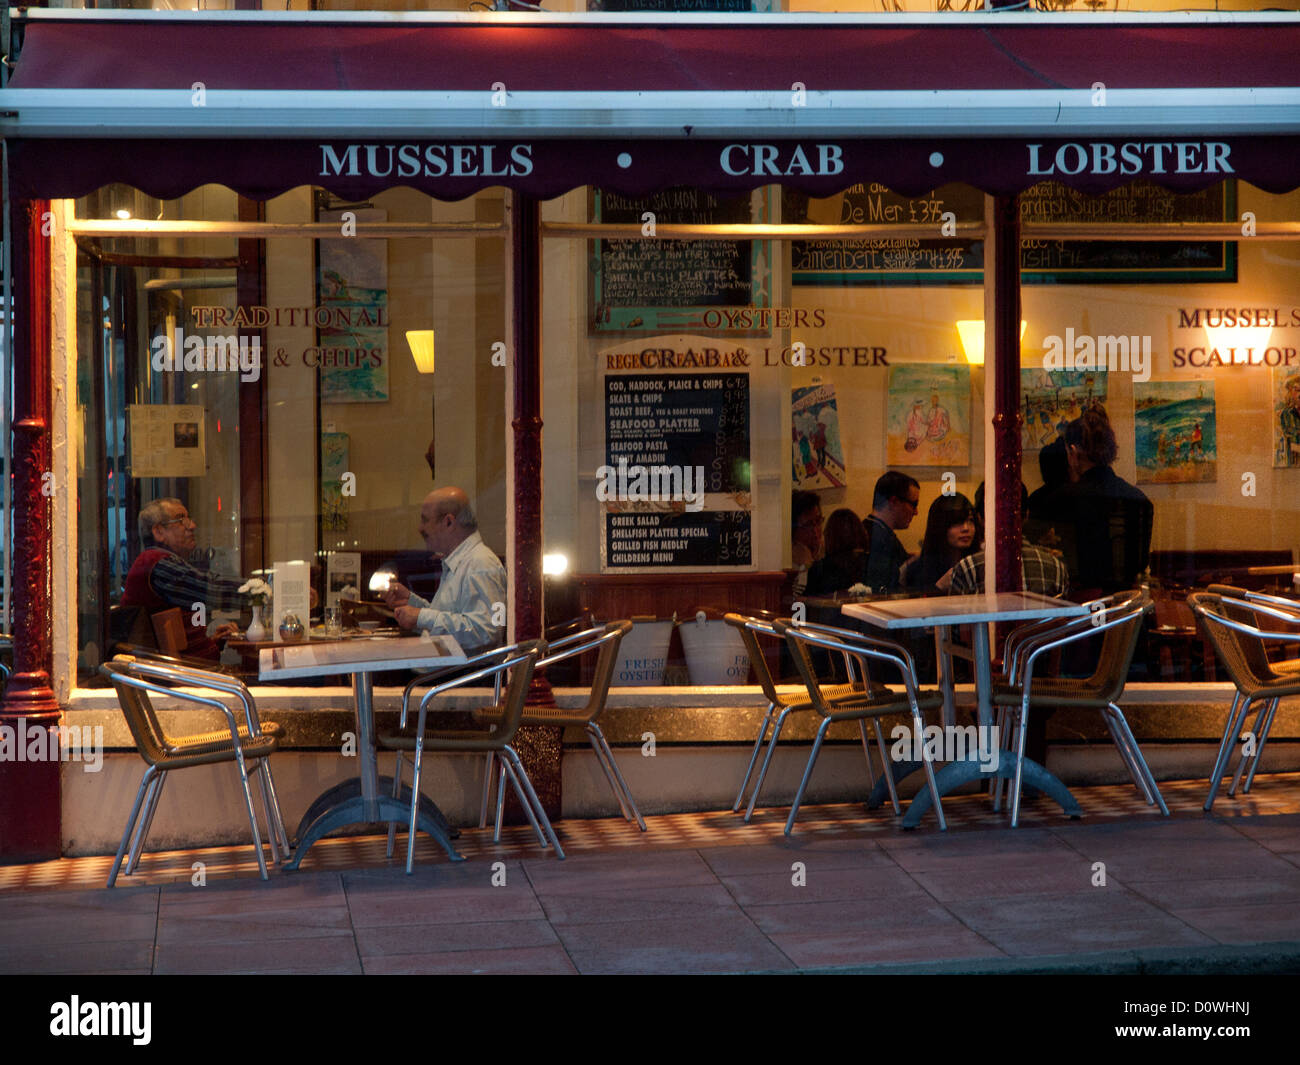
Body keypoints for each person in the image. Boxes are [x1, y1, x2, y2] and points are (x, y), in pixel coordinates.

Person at [120, 498, 250, 660]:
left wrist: (214, 642)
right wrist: (258, 591)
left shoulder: (161, 560)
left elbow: (180, 643)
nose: (192, 526)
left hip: (188, 673)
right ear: (159, 532)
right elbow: (209, 590)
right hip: (176, 680)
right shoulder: (157, 564)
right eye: (182, 520)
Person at [383, 486, 506, 654]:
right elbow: (451, 619)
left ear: (448, 522)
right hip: (442, 675)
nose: (420, 528)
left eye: (425, 520)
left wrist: (421, 616)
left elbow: (488, 631)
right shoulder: (461, 561)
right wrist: (412, 604)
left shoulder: (481, 564)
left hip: (458, 679)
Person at [1048, 405, 1153, 597]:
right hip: (1127, 613)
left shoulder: (1062, 500)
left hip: (1080, 616)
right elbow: (1139, 565)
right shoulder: (1140, 500)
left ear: (1072, 452)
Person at [949, 483, 1069, 598]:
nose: (965, 528)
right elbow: (1065, 617)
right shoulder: (1056, 568)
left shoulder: (968, 569)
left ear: (979, 518)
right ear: (1026, 515)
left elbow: (956, 617)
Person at [901, 493, 978, 596]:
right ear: (941, 526)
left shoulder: (977, 565)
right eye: (957, 522)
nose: (966, 528)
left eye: (971, 521)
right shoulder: (919, 570)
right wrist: (939, 587)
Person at [864, 471, 920, 594]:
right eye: (914, 504)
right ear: (893, 502)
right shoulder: (878, 537)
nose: (916, 512)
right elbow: (884, 585)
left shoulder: (875, 531)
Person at [805, 508, 871, 596]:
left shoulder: (820, 570)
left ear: (829, 535)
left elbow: (807, 604)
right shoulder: (872, 564)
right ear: (860, 531)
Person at [790, 490, 823, 597]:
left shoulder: (822, 551)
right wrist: (805, 567)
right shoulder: (790, 561)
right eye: (808, 524)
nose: (815, 530)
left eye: (818, 521)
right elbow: (796, 603)